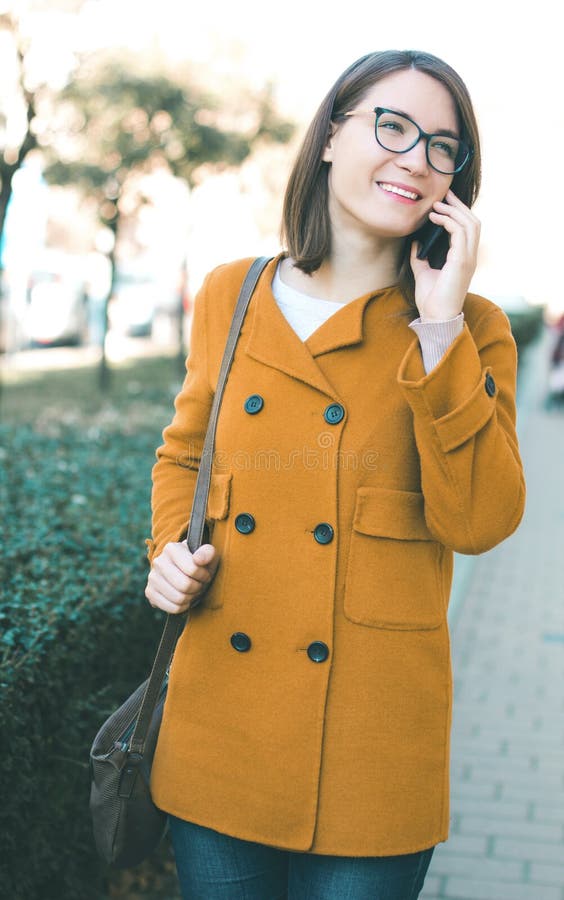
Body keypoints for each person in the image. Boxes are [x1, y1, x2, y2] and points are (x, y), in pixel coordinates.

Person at [144, 49, 525, 900]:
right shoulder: (229, 294)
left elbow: (481, 523)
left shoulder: (472, 330)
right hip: (222, 727)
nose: (416, 159)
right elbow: (183, 452)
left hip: (371, 746)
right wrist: (170, 550)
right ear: (329, 136)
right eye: (392, 126)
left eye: (442, 147)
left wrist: (439, 328)